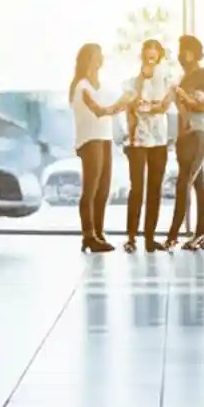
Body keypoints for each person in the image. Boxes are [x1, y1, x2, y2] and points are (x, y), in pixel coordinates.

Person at [69, 43, 133, 253]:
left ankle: (98, 232)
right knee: (91, 189)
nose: (102, 58)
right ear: (90, 59)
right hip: (90, 140)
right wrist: (120, 104)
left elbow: (110, 111)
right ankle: (88, 235)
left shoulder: (101, 86)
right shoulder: (82, 87)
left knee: (103, 189)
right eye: (99, 54)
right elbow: (98, 111)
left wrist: (123, 103)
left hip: (104, 138)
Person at [165, 34, 204, 251]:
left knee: (183, 183)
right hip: (186, 136)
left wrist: (191, 102)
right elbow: (179, 112)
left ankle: (173, 235)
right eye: (179, 50)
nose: (181, 55)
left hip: (201, 132)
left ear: (195, 52)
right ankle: (201, 234)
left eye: (185, 50)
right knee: (198, 183)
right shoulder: (181, 80)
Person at [122, 39, 173, 253]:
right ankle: (131, 237)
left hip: (159, 139)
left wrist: (146, 107)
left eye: (154, 55)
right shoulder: (133, 82)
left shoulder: (168, 80)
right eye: (147, 55)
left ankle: (150, 238)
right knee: (137, 189)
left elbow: (163, 107)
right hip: (138, 140)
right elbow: (130, 108)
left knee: (155, 189)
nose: (150, 58)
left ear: (159, 57)